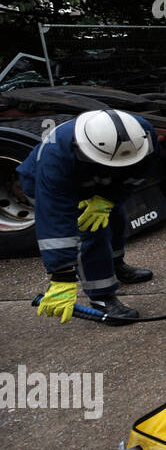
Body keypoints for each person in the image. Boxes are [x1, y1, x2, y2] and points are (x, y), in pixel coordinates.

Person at [19, 109, 158, 325]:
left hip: (98, 180)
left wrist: (109, 199)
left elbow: (140, 172)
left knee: (115, 217)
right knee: (91, 231)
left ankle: (115, 265)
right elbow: (55, 221)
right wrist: (62, 275)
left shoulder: (143, 132)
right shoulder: (56, 156)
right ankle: (102, 297)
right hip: (52, 184)